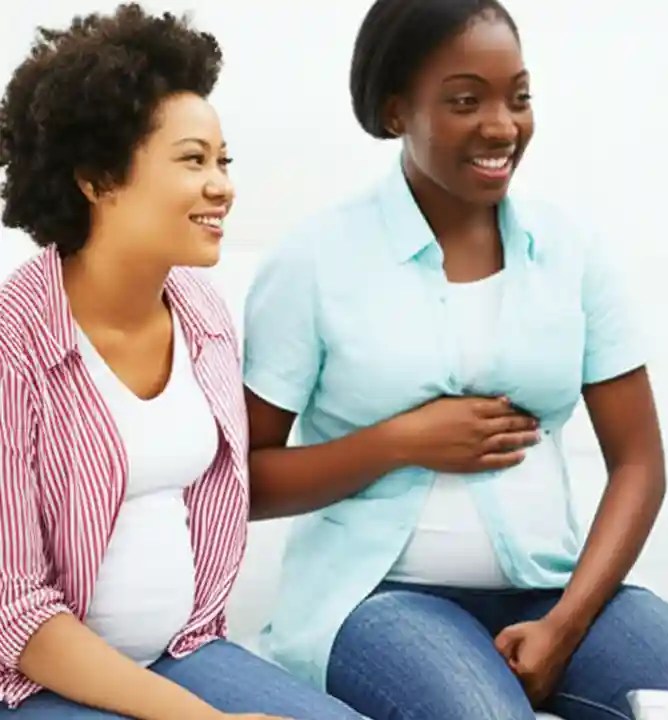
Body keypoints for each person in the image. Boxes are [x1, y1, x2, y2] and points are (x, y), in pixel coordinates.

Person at [241, 0, 668, 718]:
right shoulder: (314, 261)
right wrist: (400, 442)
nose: (502, 125)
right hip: (380, 601)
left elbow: (639, 464)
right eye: (467, 101)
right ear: (396, 109)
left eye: (519, 97)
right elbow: (242, 483)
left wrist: (565, 624)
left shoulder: (573, 252)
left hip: (555, 589)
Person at [0, 5, 363, 719]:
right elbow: (15, 613)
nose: (222, 186)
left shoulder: (204, 316)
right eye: (192, 160)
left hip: (186, 652)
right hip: (38, 683)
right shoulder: (15, 347)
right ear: (99, 178)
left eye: (223, 161)